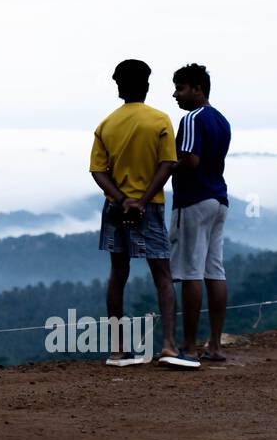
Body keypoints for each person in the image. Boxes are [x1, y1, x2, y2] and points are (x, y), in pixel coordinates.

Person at [89, 59, 190, 367]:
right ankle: (169, 347)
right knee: (162, 274)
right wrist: (142, 200)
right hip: (151, 206)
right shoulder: (159, 120)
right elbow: (169, 164)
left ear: (119, 87)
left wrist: (122, 200)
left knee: (118, 274)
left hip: (115, 208)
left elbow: (97, 170)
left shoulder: (106, 124)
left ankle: (118, 350)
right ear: (146, 85)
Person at [170, 63, 232, 363]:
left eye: (180, 88)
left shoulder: (192, 118)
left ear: (198, 89)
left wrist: (168, 167)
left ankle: (190, 346)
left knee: (190, 271)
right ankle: (216, 346)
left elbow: (191, 161)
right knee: (214, 270)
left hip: (193, 200)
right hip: (219, 199)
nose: (175, 95)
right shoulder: (222, 120)